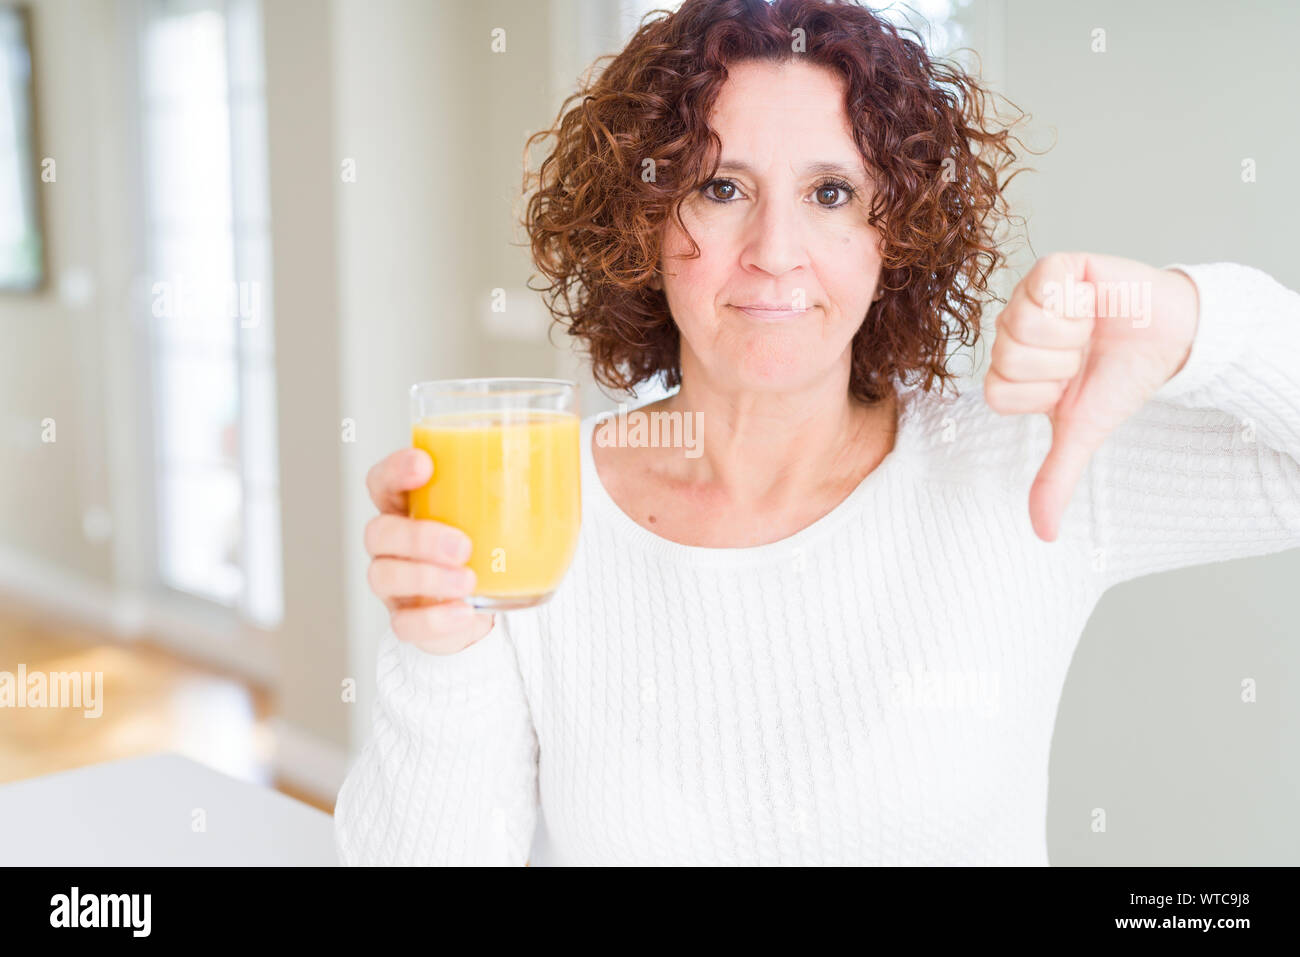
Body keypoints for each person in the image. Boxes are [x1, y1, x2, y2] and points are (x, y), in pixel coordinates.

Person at [334, 0, 1300, 865]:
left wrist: (1195, 321)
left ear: (897, 233)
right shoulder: (534, 511)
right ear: (643, 217)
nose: (775, 253)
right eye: (721, 187)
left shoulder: (1021, 465)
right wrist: (441, 655)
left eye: (831, 193)